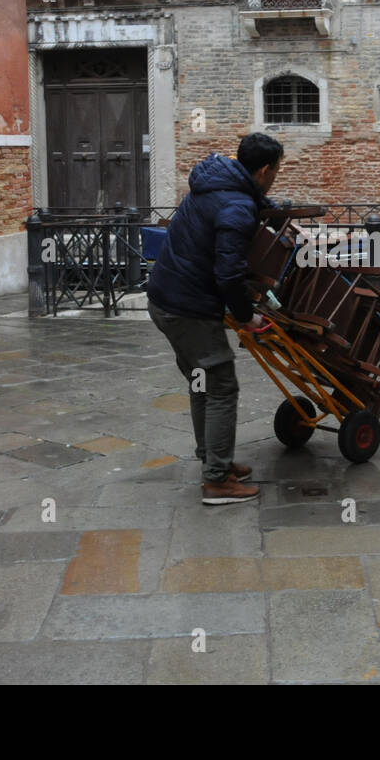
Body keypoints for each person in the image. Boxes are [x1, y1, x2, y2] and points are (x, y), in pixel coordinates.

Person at [146, 133, 284, 505]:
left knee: (201, 381)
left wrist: (281, 213)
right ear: (265, 169)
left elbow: (252, 200)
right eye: (276, 172)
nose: (275, 178)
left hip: (164, 297)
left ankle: (213, 458)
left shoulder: (217, 181)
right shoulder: (236, 206)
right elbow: (228, 275)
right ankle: (217, 482)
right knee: (221, 384)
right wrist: (247, 316)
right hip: (187, 308)